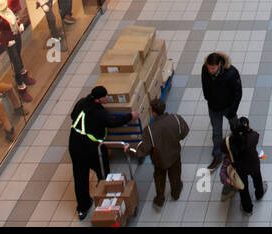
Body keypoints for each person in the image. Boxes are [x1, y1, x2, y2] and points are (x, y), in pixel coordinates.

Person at [68, 86, 136, 220]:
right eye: (105, 96)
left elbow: (72, 116)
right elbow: (113, 122)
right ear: (98, 100)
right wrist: (130, 116)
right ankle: (106, 194)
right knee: (103, 172)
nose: (108, 98)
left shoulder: (81, 102)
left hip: (74, 146)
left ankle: (83, 207)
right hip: (92, 149)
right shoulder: (99, 113)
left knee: (80, 178)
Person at [135, 97, 189, 208]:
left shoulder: (149, 130)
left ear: (153, 112)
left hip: (159, 159)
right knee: (175, 175)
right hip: (174, 155)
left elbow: (143, 150)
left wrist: (131, 151)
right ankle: (176, 193)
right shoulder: (176, 119)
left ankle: (160, 199)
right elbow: (184, 131)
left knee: (159, 178)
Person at [201, 52, 243, 171]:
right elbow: (204, 84)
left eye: (213, 68)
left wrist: (232, 110)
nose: (210, 71)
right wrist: (208, 98)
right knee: (216, 132)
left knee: (236, 127)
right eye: (209, 68)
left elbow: (238, 93)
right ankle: (217, 155)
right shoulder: (205, 69)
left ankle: (240, 147)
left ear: (219, 64)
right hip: (213, 107)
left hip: (229, 107)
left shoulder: (231, 73)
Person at [227, 116, 266, 213]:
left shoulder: (231, 140)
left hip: (240, 167)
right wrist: (250, 131)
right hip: (253, 164)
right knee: (257, 179)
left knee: (243, 187)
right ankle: (259, 194)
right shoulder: (252, 137)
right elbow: (257, 135)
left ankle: (247, 208)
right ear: (247, 127)